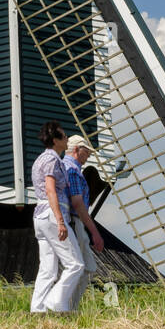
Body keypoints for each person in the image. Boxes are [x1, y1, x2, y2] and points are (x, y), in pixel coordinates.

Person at [29, 121, 84, 313]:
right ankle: (55, 302)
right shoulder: (53, 160)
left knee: (48, 269)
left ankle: (38, 309)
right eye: (64, 135)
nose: (67, 138)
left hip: (40, 216)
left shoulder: (39, 160)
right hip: (53, 214)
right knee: (75, 264)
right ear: (55, 140)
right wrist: (60, 221)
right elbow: (51, 190)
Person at [62, 134, 105, 309]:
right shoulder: (71, 169)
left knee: (87, 267)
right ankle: (63, 307)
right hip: (73, 221)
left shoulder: (74, 169)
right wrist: (95, 232)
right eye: (86, 152)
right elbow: (77, 203)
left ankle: (70, 307)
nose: (88, 156)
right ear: (76, 150)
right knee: (77, 267)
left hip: (77, 222)